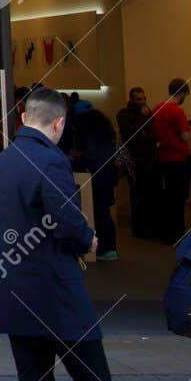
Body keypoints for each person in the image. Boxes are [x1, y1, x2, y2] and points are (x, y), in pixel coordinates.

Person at [0, 86, 110, 381]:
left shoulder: (3, 161)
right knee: (95, 380)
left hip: (15, 289)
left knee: (34, 380)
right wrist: (87, 239)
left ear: (25, 116)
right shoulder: (51, 160)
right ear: (59, 123)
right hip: (54, 290)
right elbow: (66, 219)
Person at [64, 97, 122, 259]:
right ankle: (110, 248)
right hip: (108, 173)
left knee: (97, 211)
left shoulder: (86, 128)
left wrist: (73, 158)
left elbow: (91, 155)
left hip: (96, 175)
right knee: (104, 211)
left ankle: (104, 248)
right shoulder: (104, 128)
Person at [151, 78, 191, 242]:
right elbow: (184, 136)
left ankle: (167, 232)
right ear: (182, 93)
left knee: (167, 197)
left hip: (162, 158)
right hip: (178, 158)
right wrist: (190, 150)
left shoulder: (157, 109)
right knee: (179, 197)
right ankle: (178, 232)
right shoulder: (177, 111)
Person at [115, 86, 156, 238]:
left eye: (144, 98)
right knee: (136, 195)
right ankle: (138, 228)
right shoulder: (124, 114)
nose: (143, 102)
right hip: (133, 160)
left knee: (149, 195)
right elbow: (131, 133)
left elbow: (152, 135)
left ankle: (149, 227)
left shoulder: (147, 113)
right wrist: (141, 121)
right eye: (139, 99)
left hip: (149, 159)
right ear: (132, 99)